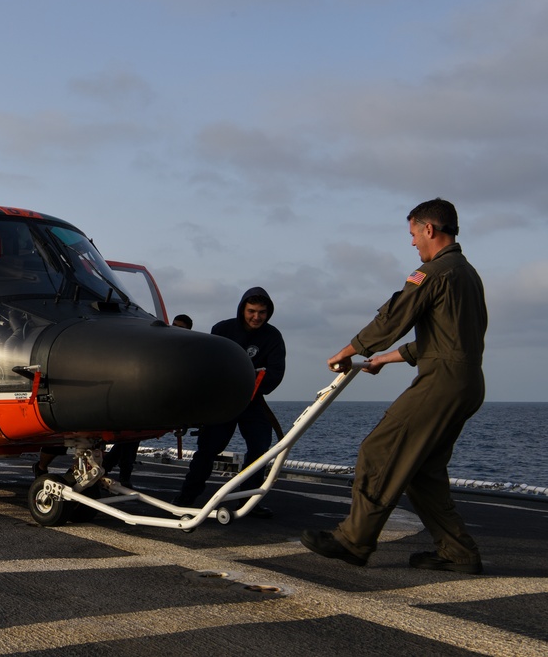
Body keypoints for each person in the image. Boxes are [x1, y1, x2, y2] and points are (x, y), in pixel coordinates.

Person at [301, 198, 486, 574]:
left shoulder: (431, 273)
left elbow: (391, 320)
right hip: (467, 383)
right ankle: (457, 552)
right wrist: (385, 359)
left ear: (429, 229)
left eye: (414, 233)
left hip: (441, 385)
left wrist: (348, 350)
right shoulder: (467, 274)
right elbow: (446, 343)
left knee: (378, 449)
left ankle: (353, 540)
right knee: (422, 471)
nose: (413, 242)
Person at [174, 288, 285, 518]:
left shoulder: (272, 336)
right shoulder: (222, 329)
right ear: (242, 309)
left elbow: (275, 373)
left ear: (268, 312)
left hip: (253, 402)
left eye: (262, 312)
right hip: (223, 401)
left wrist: (251, 384)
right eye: (252, 311)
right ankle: (186, 496)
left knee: (260, 450)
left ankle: (248, 502)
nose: (257, 317)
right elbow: (211, 365)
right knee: (208, 450)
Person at [99, 314, 196, 487]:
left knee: (130, 440)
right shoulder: (161, 346)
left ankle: (112, 470)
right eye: (174, 325)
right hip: (138, 397)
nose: (175, 329)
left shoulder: (183, 352)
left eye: (180, 328)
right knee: (130, 439)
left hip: (155, 400)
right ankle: (120, 474)